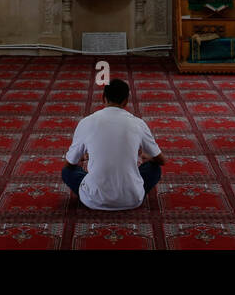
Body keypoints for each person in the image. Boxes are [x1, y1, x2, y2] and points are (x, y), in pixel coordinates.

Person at [62, 78, 165, 210]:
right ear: (126, 101)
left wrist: (82, 158)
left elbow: (69, 164)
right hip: (132, 199)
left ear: (103, 98)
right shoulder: (138, 123)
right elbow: (161, 160)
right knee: (154, 168)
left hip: (93, 199)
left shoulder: (86, 122)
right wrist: (147, 157)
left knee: (67, 172)